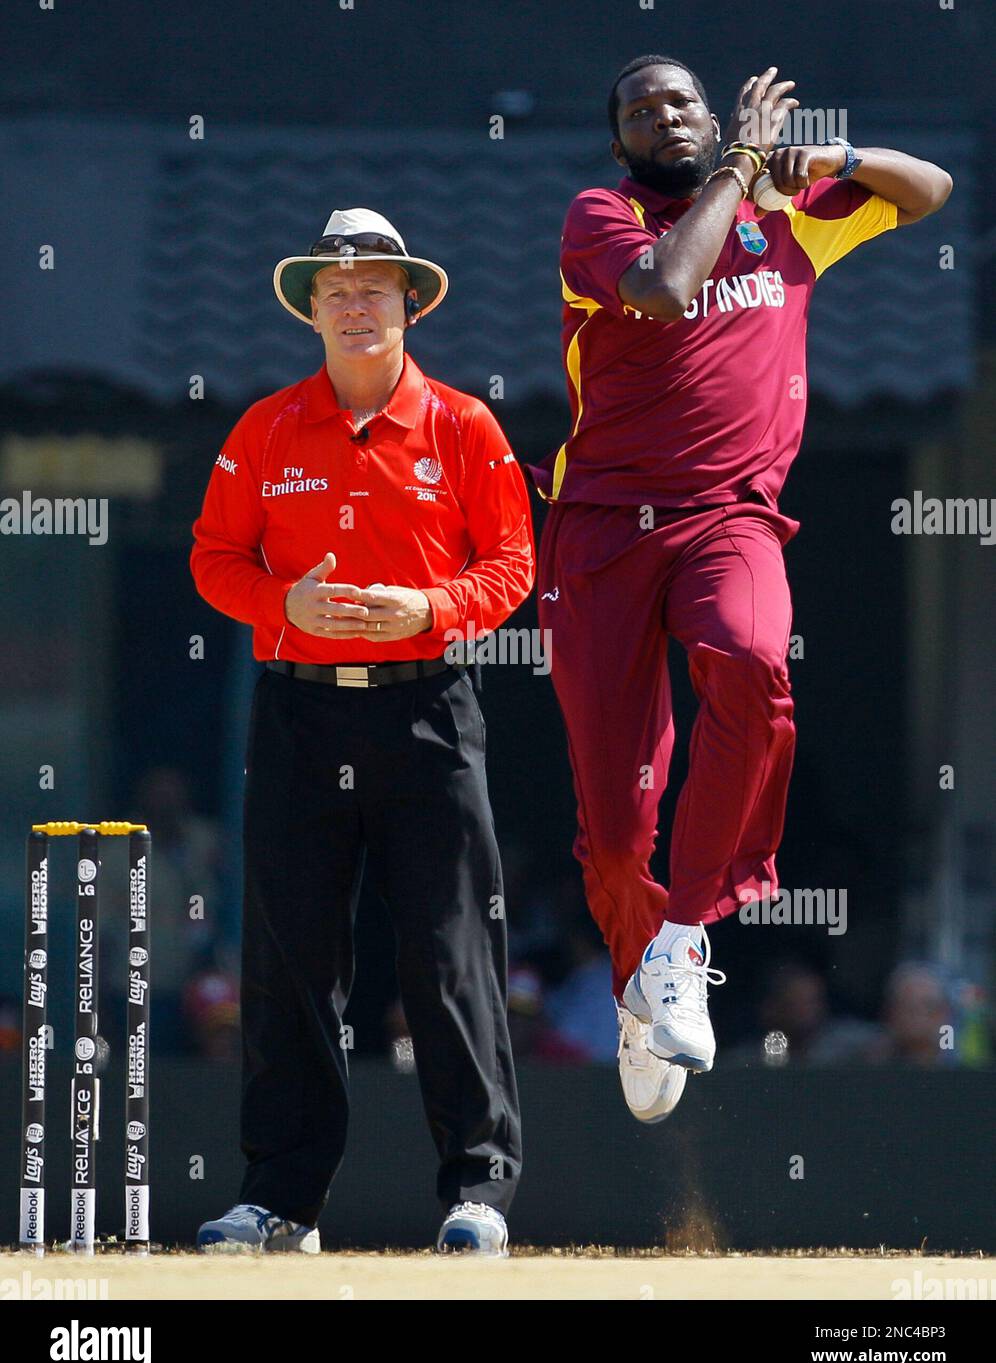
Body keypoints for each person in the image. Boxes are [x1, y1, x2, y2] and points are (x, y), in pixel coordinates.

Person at [529, 56, 952, 1122]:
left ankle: (682, 942)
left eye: (679, 102)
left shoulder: (792, 215)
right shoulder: (599, 215)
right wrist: (744, 168)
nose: (660, 117)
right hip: (603, 534)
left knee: (756, 659)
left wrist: (833, 158)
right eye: (637, 110)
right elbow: (667, 289)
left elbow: (932, 189)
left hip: (732, 517)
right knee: (619, 832)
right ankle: (639, 981)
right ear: (620, 142)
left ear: (711, 116)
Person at [189, 208, 535, 1255]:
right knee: (292, 951)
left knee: (449, 947)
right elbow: (213, 558)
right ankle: (281, 1198)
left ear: (409, 303)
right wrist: (282, 606)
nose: (353, 304)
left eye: (373, 287)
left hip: (428, 705)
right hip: (299, 704)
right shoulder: (262, 428)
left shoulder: (467, 426)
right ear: (310, 310)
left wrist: (425, 609)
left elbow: (513, 566)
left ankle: (478, 1190)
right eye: (334, 290)